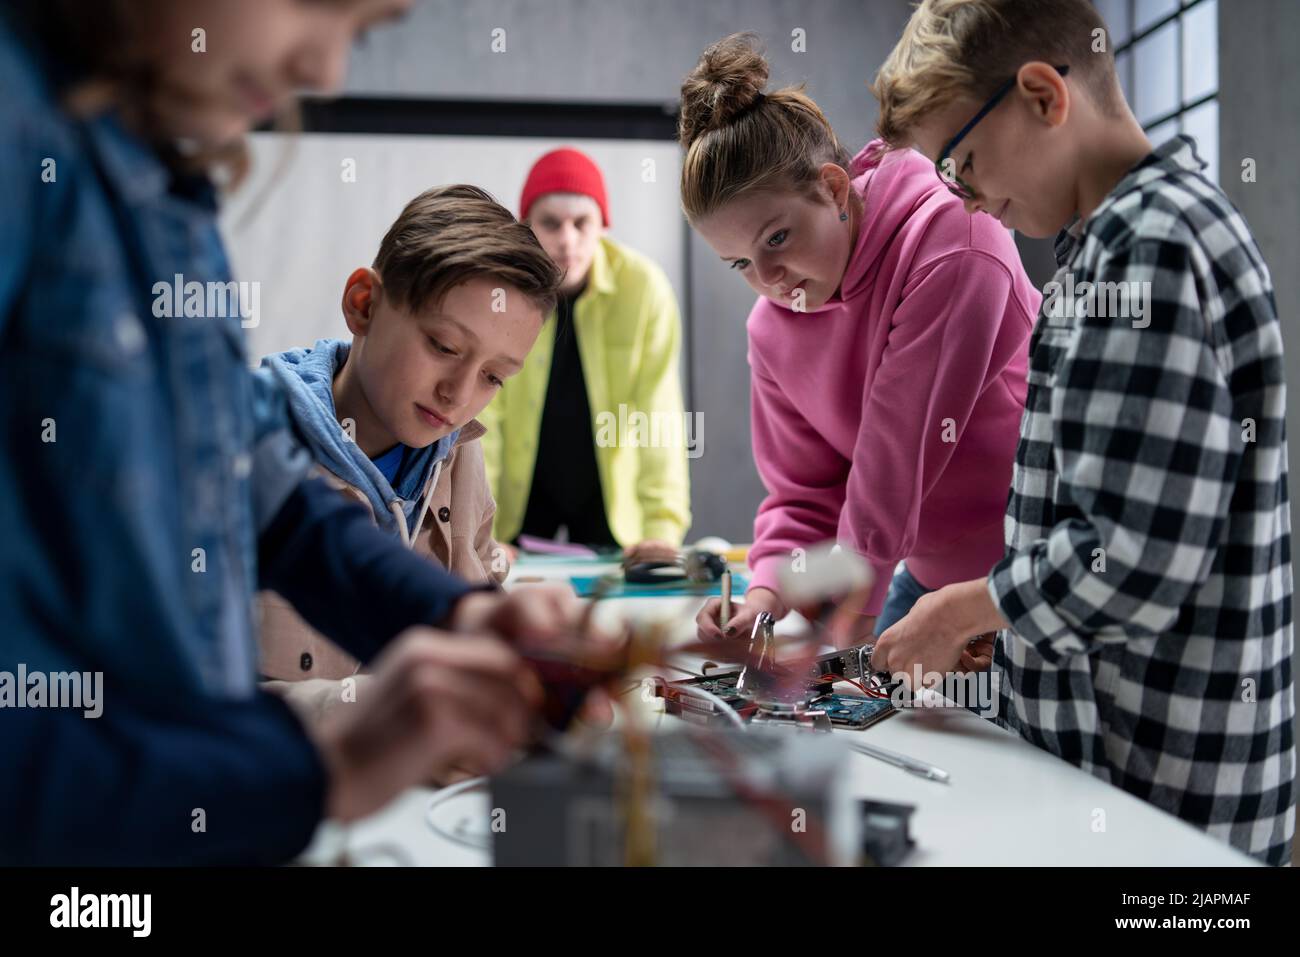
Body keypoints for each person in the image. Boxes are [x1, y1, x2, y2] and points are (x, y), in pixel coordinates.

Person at [0, 0, 579, 865]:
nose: (326, 72)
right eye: (316, 4)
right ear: (365, 305)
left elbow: (266, 496)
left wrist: (463, 616)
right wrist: (317, 764)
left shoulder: (160, 176)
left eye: (363, 29)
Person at [870, 0, 1294, 865]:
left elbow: (1135, 560)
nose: (972, 200)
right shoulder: (1109, 247)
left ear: (1041, 95)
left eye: (964, 163)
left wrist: (963, 607)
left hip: (1173, 798)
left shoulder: (1150, 247)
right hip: (1123, 767)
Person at [679, 34, 1039, 648]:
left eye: (776, 239)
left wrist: (845, 632)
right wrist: (766, 595)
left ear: (834, 189)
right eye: (738, 263)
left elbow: (887, 475)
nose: (768, 282)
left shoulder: (956, 240)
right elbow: (805, 495)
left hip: (1022, 588)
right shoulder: (772, 328)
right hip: (922, 578)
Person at [256, 184, 560, 726]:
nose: (459, 394)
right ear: (364, 305)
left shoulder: (457, 452)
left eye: (493, 376)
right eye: (443, 347)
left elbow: (484, 604)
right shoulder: (245, 451)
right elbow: (182, 710)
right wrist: (384, 714)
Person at [479, 147, 692, 561]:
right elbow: (483, 420)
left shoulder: (643, 289)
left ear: (604, 226)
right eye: (551, 223)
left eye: (582, 223)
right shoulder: (499, 294)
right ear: (525, 228)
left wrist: (662, 530)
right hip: (516, 505)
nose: (567, 240)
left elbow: (658, 413)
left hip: (611, 506)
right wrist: (477, 529)